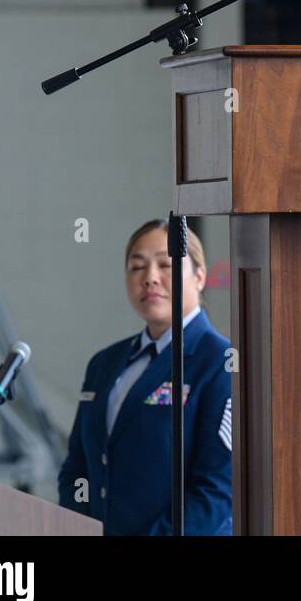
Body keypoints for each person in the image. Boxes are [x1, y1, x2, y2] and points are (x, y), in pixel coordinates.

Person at [58, 219, 231, 535]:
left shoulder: (220, 363)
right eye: (137, 267)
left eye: (165, 264)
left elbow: (217, 492)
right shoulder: (104, 364)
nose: (150, 278)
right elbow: (77, 468)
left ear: (200, 277)